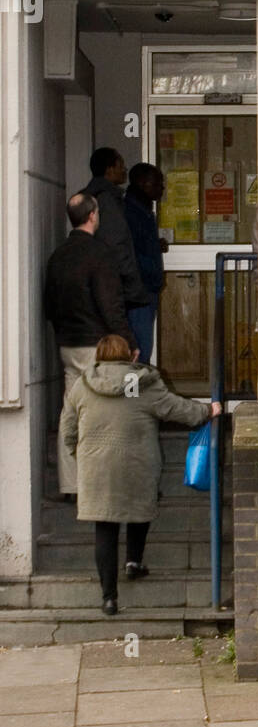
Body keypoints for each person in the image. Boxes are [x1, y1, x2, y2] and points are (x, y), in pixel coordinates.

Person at [60, 334, 220, 615]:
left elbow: (69, 430)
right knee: (139, 508)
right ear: (131, 356)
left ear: (98, 356)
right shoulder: (139, 383)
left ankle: (109, 598)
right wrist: (207, 410)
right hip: (137, 462)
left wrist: (82, 457)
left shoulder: (82, 385)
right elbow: (174, 408)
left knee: (105, 527)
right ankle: (133, 561)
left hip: (96, 466)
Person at [44, 192, 138, 498]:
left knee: (70, 414)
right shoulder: (101, 255)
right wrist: (128, 341)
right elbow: (111, 306)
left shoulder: (58, 256)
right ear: (93, 216)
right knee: (106, 414)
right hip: (96, 347)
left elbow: (49, 304)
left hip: (67, 345)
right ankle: (105, 485)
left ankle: (71, 484)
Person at [85, 148, 150, 315]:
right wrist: (133, 286)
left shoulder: (93, 196)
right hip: (112, 286)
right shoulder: (107, 200)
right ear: (109, 169)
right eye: (120, 164)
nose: (125, 169)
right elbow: (116, 245)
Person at [124, 163, 168, 364]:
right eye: (156, 183)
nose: (161, 188)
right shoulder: (132, 212)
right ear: (142, 183)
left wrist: (154, 245)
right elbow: (131, 251)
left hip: (144, 288)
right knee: (139, 350)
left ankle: (137, 393)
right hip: (139, 290)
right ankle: (135, 394)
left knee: (142, 348)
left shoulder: (141, 210)